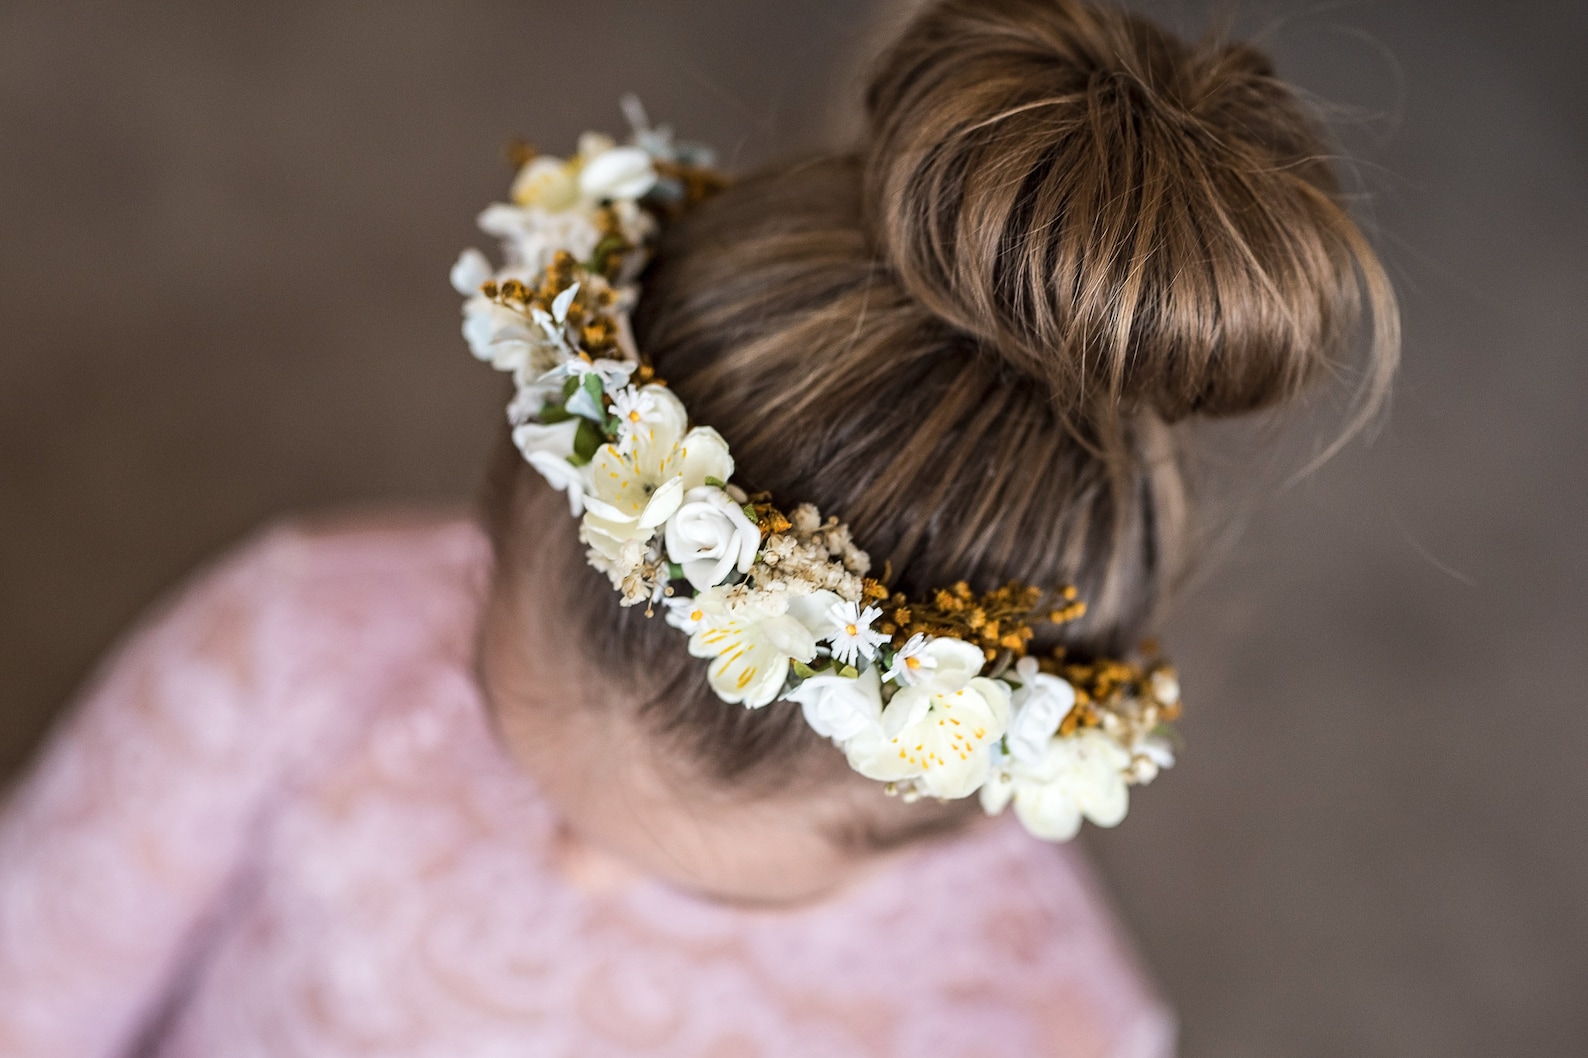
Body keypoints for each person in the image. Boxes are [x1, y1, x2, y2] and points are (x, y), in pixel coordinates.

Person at [0, 0, 1396, 1054]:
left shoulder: (1035, 1020)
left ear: (958, 801)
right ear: (519, 508)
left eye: (718, 893)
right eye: (498, 718)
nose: (574, 869)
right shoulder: (289, 647)